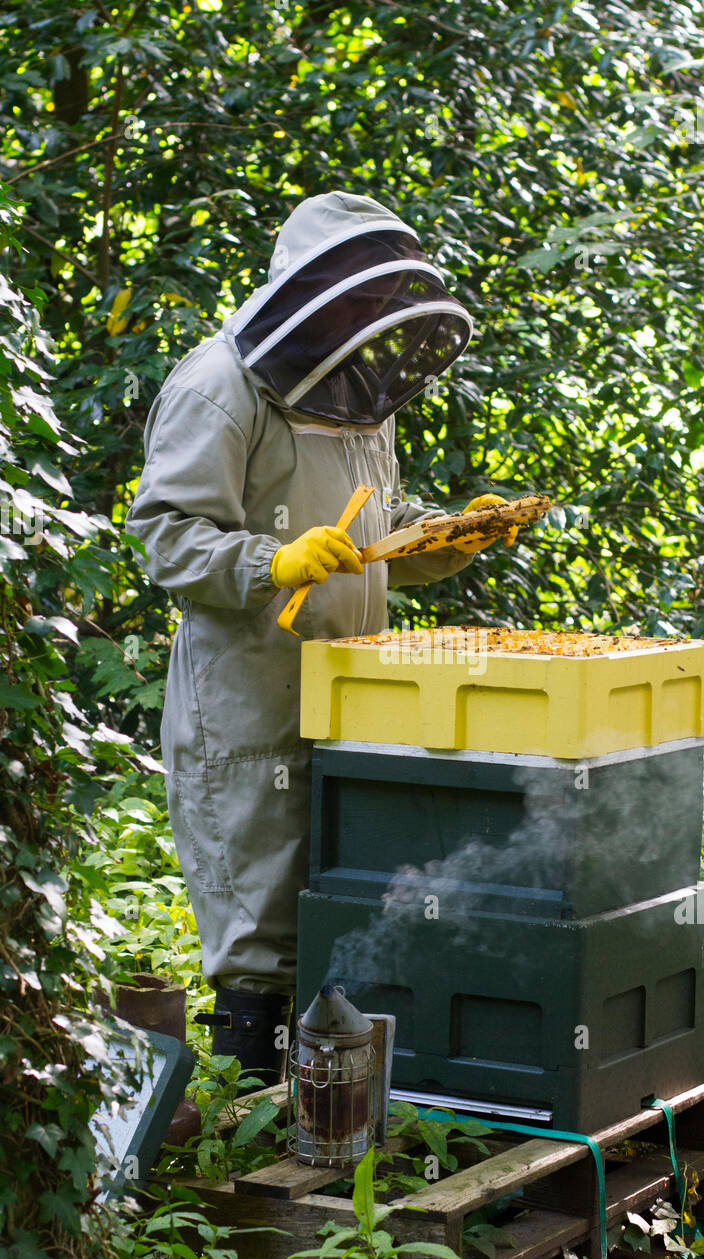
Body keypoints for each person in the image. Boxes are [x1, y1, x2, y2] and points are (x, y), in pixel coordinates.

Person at [126, 190, 512, 1087]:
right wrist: (272, 562)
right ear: (307, 287)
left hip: (352, 696)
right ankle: (247, 1111)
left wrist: (451, 535)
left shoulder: (359, 393)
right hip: (248, 699)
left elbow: (372, 538)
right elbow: (166, 537)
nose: (364, 317)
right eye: (349, 296)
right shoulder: (220, 386)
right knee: (257, 909)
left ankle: (326, 1109)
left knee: (340, 900)